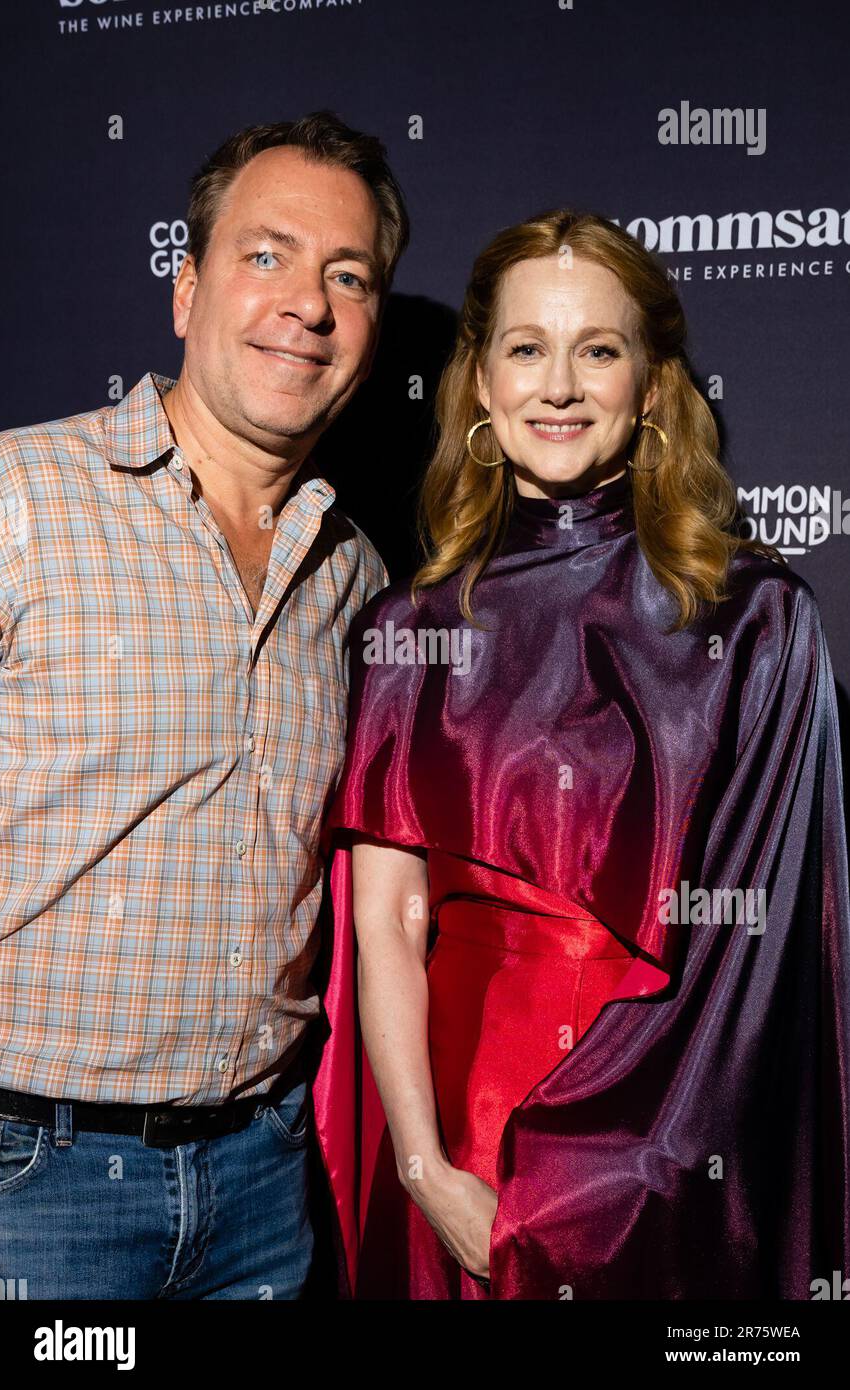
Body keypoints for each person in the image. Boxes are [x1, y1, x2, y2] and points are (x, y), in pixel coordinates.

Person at [312, 209, 850, 1300]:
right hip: (453, 1123)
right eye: (525, 349)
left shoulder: (755, 621)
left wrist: (622, 1171)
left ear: (649, 387)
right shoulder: (409, 626)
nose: (557, 386)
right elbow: (388, 917)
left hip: (668, 1143)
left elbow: (764, 963)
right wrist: (423, 1167)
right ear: (480, 382)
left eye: (595, 350)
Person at [0, 111, 408, 1299]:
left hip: (267, 1192)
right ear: (185, 293)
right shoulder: (12, 498)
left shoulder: (359, 579)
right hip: (25, 1183)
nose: (307, 304)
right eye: (265, 255)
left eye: (347, 276)